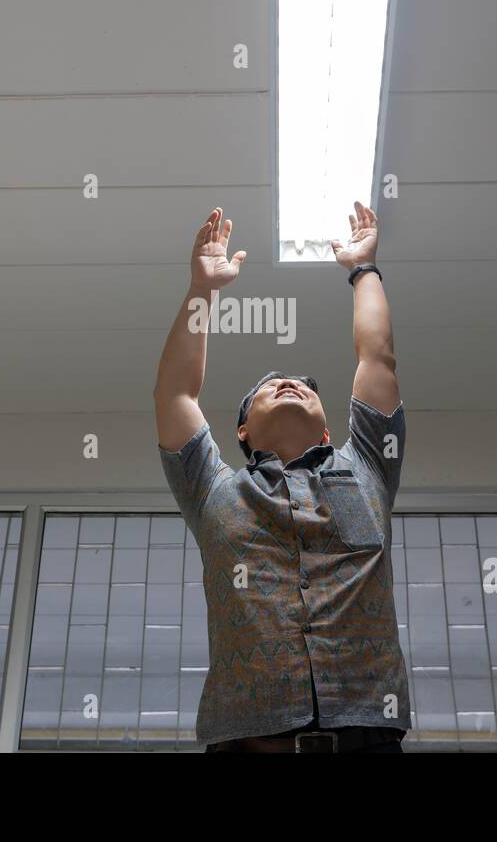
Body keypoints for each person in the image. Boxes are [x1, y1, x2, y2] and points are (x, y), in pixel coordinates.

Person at [153, 202, 410, 752]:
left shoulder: (367, 465)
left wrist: (363, 269)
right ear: (242, 430)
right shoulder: (212, 489)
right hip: (246, 741)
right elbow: (176, 394)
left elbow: (378, 360)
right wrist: (202, 289)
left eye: (303, 384)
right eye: (271, 385)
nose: (290, 383)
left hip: (369, 737)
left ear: (325, 431)